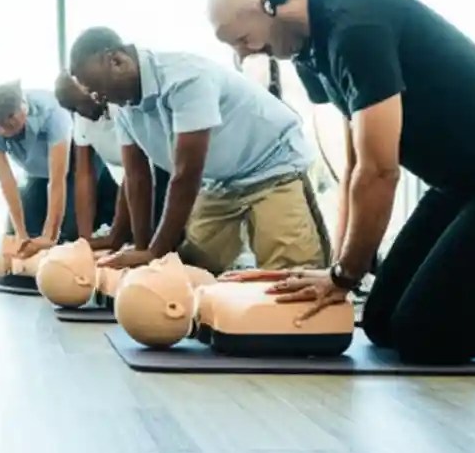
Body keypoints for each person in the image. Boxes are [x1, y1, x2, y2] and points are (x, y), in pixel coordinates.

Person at [207, 0, 475, 363]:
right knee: (380, 321)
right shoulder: (305, 50)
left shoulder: (355, 28)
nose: (241, 55)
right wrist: (339, 273)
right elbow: (356, 164)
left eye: (240, 38)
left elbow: (380, 172)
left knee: (423, 333)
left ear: (270, 3)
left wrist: (344, 275)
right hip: (462, 183)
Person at [68, 26, 328, 276]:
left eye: (98, 91)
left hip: (273, 166)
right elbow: (136, 178)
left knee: (291, 273)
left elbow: (186, 173)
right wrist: (140, 248)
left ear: (116, 61)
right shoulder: (124, 105)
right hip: (220, 183)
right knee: (191, 266)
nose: (98, 100)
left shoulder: (185, 78)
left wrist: (156, 252)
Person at [54, 72, 162, 252]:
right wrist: (84, 240)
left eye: (82, 105)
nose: (82, 113)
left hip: (155, 174)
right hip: (123, 179)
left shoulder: (120, 107)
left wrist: (117, 236)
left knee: (154, 242)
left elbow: (137, 170)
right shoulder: (81, 118)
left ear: (93, 94)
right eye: (74, 110)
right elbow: (84, 175)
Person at [0, 81, 84, 257]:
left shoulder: (53, 113)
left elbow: (57, 180)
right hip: (35, 171)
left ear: (23, 108)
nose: (3, 128)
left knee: (66, 234)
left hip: (74, 166)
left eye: (10, 120)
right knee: (19, 240)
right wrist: (21, 233)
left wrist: (50, 236)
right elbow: (7, 182)